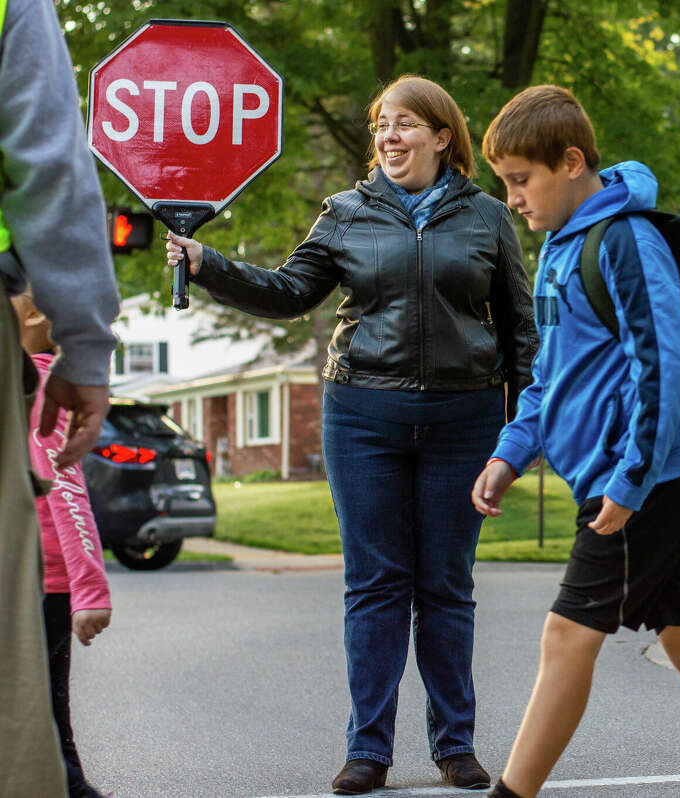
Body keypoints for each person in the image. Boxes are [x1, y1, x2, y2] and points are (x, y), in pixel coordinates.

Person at [166, 74, 537, 795]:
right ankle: (368, 750)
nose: (389, 138)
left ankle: (454, 745)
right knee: (375, 585)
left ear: (441, 136)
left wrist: (518, 431)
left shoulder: (489, 217)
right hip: (363, 415)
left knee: (446, 587)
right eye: (380, 126)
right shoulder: (343, 213)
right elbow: (288, 292)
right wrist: (209, 265)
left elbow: (520, 329)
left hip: (464, 420)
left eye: (404, 125)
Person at [470, 85, 680, 798]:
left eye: (522, 180)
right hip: (622, 478)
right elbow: (550, 377)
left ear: (573, 161)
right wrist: (510, 453)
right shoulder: (559, 250)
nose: (515, 199)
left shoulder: (626, 240)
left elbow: (665, 366)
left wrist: (628, 480)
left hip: (647, 479)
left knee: (566, 636)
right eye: (506, 183)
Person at [0, 0, 122, 795]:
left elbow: (72, 500)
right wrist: (88, 339)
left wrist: (87, 587)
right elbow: (46, 159)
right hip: (44, 586)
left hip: (59, 590)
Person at [13, 291, 113, 798]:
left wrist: (90, 591)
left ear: (32, 315)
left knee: (45, 706)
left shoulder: (42, 386)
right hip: (23, 577)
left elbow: (67, 494)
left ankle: (71, 788)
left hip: (44, 584)